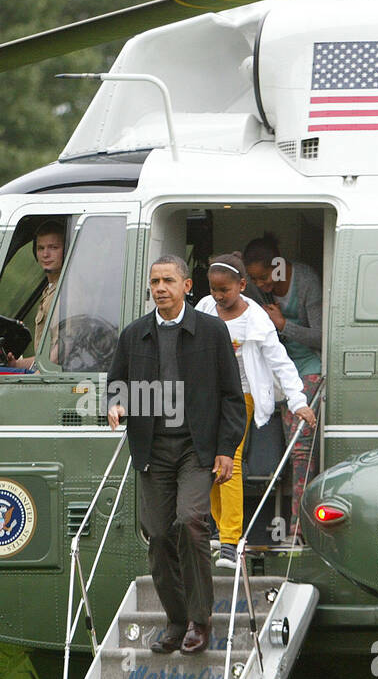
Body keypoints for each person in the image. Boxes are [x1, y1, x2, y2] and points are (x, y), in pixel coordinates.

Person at [106, 256, 246, 654]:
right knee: (159, 534)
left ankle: (200, 622)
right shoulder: (134, 335)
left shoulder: (212, 331)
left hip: (195, 448)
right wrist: (117, 404)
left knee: (191, 522)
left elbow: (232, 398)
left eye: (168, 280)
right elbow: (117, 383)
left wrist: (225, 450)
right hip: (152, 449)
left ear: (187, 286)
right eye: (154, 281)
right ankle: (175, 619)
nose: (160, 287)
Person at [195, 252, 316, 569]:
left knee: (228, 459)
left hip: (242, 396)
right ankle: (221, 529)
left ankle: (231, 541)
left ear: (242, 285)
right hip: (208, 397)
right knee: (206, 461)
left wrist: (298, 401)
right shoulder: (206, 308)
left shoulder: (256, 319)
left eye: (225, 290)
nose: (219, 297)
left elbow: (280, 362)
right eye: (214, 289)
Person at [243, 234, 324, 540]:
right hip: (269, 375)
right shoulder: (254, 287)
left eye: (264, 277)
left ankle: (299, 528)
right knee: (273, 453)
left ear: (279, 264)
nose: (260, 285)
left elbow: (320, 337)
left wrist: (283, 326)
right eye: (253, 279)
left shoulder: (306, 282)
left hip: (306, 371)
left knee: (301, 450)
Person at [0, 220, 65, 370]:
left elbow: (61, 353)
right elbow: (45, 356)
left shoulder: (66, 293)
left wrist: (33, 374)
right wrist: (16, 364)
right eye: (40, 248)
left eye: (53, 247)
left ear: (66, 250)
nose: (45, 254)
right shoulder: (50, 290)